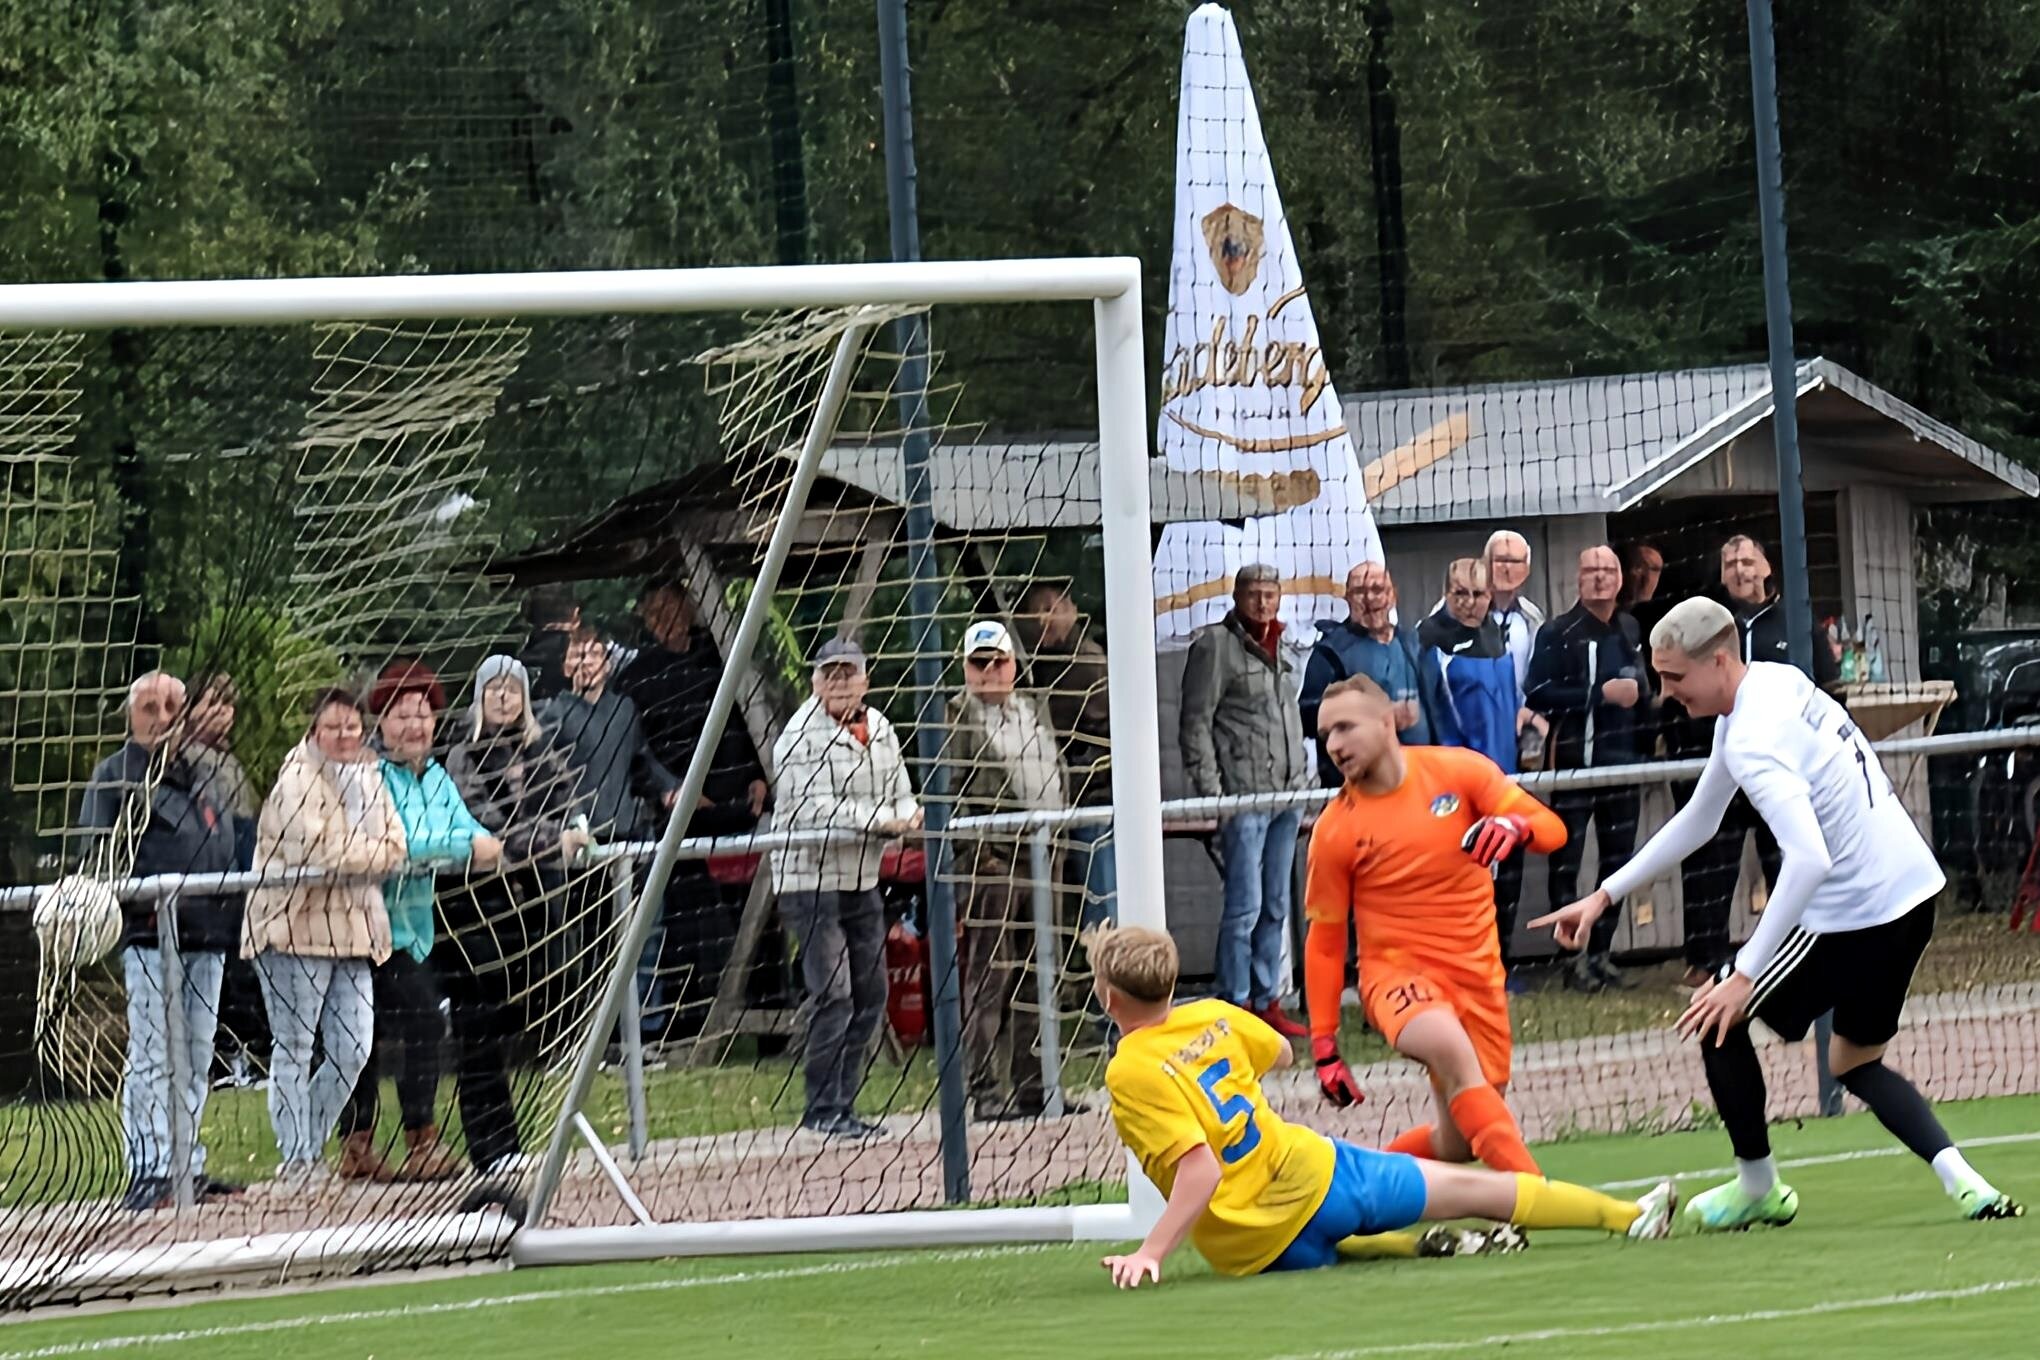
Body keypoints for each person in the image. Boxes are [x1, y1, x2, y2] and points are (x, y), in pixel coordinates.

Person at [1533, 598, 2024, 1229]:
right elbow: (1701, 819)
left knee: (1715, 1015)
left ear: (1718, 660)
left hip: (1854, 914)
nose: (1664, 693)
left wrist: (1743, 974)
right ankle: (1969, 1183)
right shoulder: (1773, 682)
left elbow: (1809, 860)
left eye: (1675, 677)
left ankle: (1759, 1187)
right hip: (1912, 898)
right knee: (1853, 1062)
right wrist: (1605, 895)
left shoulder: (1756, 739)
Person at [1089, 925, 1675, 1288]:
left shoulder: (1129, 1068)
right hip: (1316, 1180)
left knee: (1337, 1247)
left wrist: (1155, 1252)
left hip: (1251, 1246)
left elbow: (1198, 1166)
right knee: (1473, 1190)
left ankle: (1428, 1245)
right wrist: (1149, 1251)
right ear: (1168, 986)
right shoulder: (1212, 1013)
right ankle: (1626, 1216)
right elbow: (1277, 1062)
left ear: (1109, 997)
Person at [1304, 677, 1564, 1175]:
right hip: (1397, 979)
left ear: (1387, 723)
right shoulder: (1335, 829)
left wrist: (1515, 826)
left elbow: (1552, 831)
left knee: (1459, 1143)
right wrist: (1324, 1044)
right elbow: (1325, 942)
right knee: (1450, 1051)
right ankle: (1538, 1196)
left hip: (1478, 977)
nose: (1333, 744)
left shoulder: (1458, 771)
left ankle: (1358, 1183)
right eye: (1325, 733)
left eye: (1344, 728)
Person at [335, 662, 504, 1183]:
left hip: (416, 928)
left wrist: (477, 843)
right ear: (381, 724)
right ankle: (406, 1139)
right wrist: (463, 847)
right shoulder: (371, 778)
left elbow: (477, 835)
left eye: (423, 715)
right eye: (402, 715)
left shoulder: (437, 778)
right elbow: (400, 843)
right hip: (369, 927)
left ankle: (369, 1143)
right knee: (406, 1023)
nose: (415, 725)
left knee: (385, 1028)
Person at [81, 671, 243, 1210]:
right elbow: (97, 860)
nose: (160, 717)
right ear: (132, 714)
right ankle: (148, 1171)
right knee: (153, 1055)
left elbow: (222, 847)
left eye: (171, 706)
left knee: (196, 1057)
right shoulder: (113, 776)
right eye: (149, 707)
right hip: (151, 940)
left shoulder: (202, 774)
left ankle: (185, 1164)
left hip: (207, 937)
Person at [245, 687, 409, 1183]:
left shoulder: (370, 777)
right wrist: (368, 853)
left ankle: (308, 1145)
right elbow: (321, 851)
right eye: (333, 726)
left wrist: (364, 854)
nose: (344, 735)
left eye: (352, 726)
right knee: (294, 1044)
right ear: (314, 730)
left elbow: (396, 845)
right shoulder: (295, 778)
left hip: (353, 932)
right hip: (292, 929)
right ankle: (297, 1158)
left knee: (354, 1048)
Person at [445, 655, 592, 1174]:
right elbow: (493, 829)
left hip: (535, 908)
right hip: (479, 911)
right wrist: (558, 840)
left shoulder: (542, 748)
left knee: (524, 1026)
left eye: (512, 689)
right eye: (494, 689)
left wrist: (563, 832)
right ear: (479, 696)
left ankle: (510, 1141)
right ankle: (487, 1147)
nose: (503, 698)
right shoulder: (463, 757)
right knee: (477, 1029)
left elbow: (567, 805)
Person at [772, 639, 920, 1138]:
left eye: (847, 673)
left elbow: (903, 789)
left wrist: (906, 813)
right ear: (815, 681)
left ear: (865, 680)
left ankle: (845, 1103)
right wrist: (887, 822)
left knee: (871, 992)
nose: (838, 682)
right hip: (808, 880)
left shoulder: (881, 729)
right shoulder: (796, 737)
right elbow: (817, 809)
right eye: (828, 673)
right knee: (833, 993)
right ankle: (821, 1107)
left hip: (861, 877)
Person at [614, 580, 769, 1040]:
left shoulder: (724, 658)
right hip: (680, 822)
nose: (665, 620)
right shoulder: (636, 677)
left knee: (760, 923)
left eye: (671, 608)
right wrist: (675, 790)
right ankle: (688, 1024)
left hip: (742, 810)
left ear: (688, 607)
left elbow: (750, 718)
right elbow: (635, 752)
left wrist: (761, 775)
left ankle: (766, 1019)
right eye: (653, 613)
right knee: (688, 927)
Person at [1178, 564, 1311, 1036]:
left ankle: (1266, 999)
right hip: (1244, 796)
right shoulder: (1216, 645)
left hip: (1287, 793)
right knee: (1245, 907)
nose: (1262, 602)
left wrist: (1303, 781)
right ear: (1237, 597)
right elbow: (1196, 722)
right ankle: (1233, 1003)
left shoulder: (1285, 644)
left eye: (1270, 594)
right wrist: (1213, 795)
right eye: (1253, 594)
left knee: (1277, 903)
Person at [946, 619, 1070, 1121]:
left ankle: (1035, 1085)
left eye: (998, 661)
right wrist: (981, 859)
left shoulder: (1032, 707)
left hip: (1046, 855)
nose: (990, 671)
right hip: (994, 863)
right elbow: (949, 796)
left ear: (1013, 665)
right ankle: (983, 1090)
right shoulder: (954, 717)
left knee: (1043, 973)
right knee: (989, 978)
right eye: (980, 663)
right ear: (966, 669)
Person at [1524, 545, 1648, 992]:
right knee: (1567, 864)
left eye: (1608, 570)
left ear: (1619, 580)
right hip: (1574, 767)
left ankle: (1602, 954)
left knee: (1618, 865)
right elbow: (1536, 692)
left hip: (1623, 768)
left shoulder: (1630, 627)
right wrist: (1600, 694)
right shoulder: (1556, 631)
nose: (1600, 578)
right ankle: (1570, 958)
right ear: (1578, 580)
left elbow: (1641, 690)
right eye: (1591, 570)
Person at [181, 674, 267, 1092]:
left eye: (228, 704)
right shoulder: (186, 760)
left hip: (242, 876)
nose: (222, 712)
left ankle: (240, 1055)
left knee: (242, 971)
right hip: (212, 883)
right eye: (213, 702)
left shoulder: (230, 761)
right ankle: (219, 1059)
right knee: (221, 973)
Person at [1013, 582, 1116, 931]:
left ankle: (1102, 968)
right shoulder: (1036, 663)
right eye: (1037, 610)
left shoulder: (1084, 661)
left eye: (1053, 606)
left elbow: (1061, 729)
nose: (1046, 617)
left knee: (1101, 895)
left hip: (1092, 794)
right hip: (1061, 795)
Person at [544, 625, 682, 842]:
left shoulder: (624, 709)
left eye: (595, 654)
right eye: (579, 655)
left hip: (629, 829)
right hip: (581, 835)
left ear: (607, 664)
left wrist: (670, 786)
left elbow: (643, 756)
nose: (587, 661)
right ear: (566, 667)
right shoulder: (554, 714)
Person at [1300, 562, 1431, 788]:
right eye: (1360, 591)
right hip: (1360, 785)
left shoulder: (1412, 643)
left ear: (1392, 596)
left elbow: (1435, 707)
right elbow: (1308, 717)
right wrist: (1375, 716)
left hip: (1417, 777)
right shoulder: (1331, 652)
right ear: (1347, 598)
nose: (1370, 599)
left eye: (1378, 589)